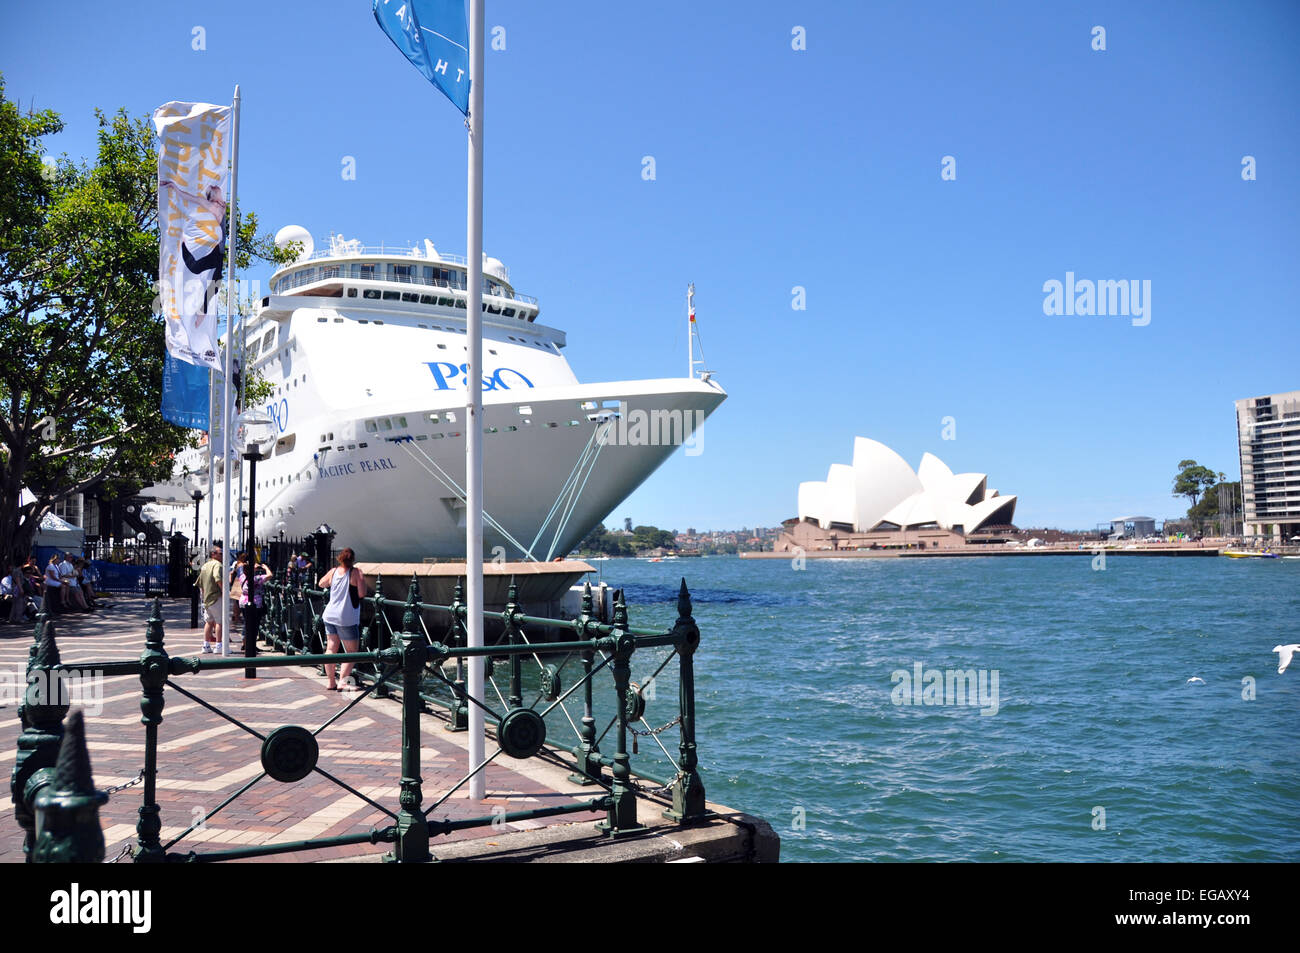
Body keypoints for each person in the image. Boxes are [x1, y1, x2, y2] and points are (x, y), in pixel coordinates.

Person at [318, 548, 368, 691]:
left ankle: (331, 681)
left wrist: (331, 585)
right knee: (352, 652)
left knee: (331, 649)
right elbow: (362, 593)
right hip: (346, 617)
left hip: (329, 614)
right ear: (352, 559)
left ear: (340, 558)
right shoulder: (356, 572)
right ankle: (343, 682)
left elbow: (321, 583)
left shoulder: (333, 571)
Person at [196, 547, 224, 652]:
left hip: (207, 598)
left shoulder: (204, 566)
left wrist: (203, 596)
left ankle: (206, 645)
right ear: (213, 554)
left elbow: (200, 582)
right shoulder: (217, 565)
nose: (222, 555)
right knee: (219, 622)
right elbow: (217, 577)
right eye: (220, 553)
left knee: (209, 622)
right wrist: (224, 591)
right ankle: (219, 645)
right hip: (216, 597)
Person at [240, 559, 271, 652]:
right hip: (255, 603)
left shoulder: (242, 576)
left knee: (246, 623)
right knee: (254, 625)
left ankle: (245, 644)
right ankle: (251, 645)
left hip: (243, 602)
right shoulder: (255, 578)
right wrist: (265, 567)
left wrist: (253, 567)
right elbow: (270, 575)